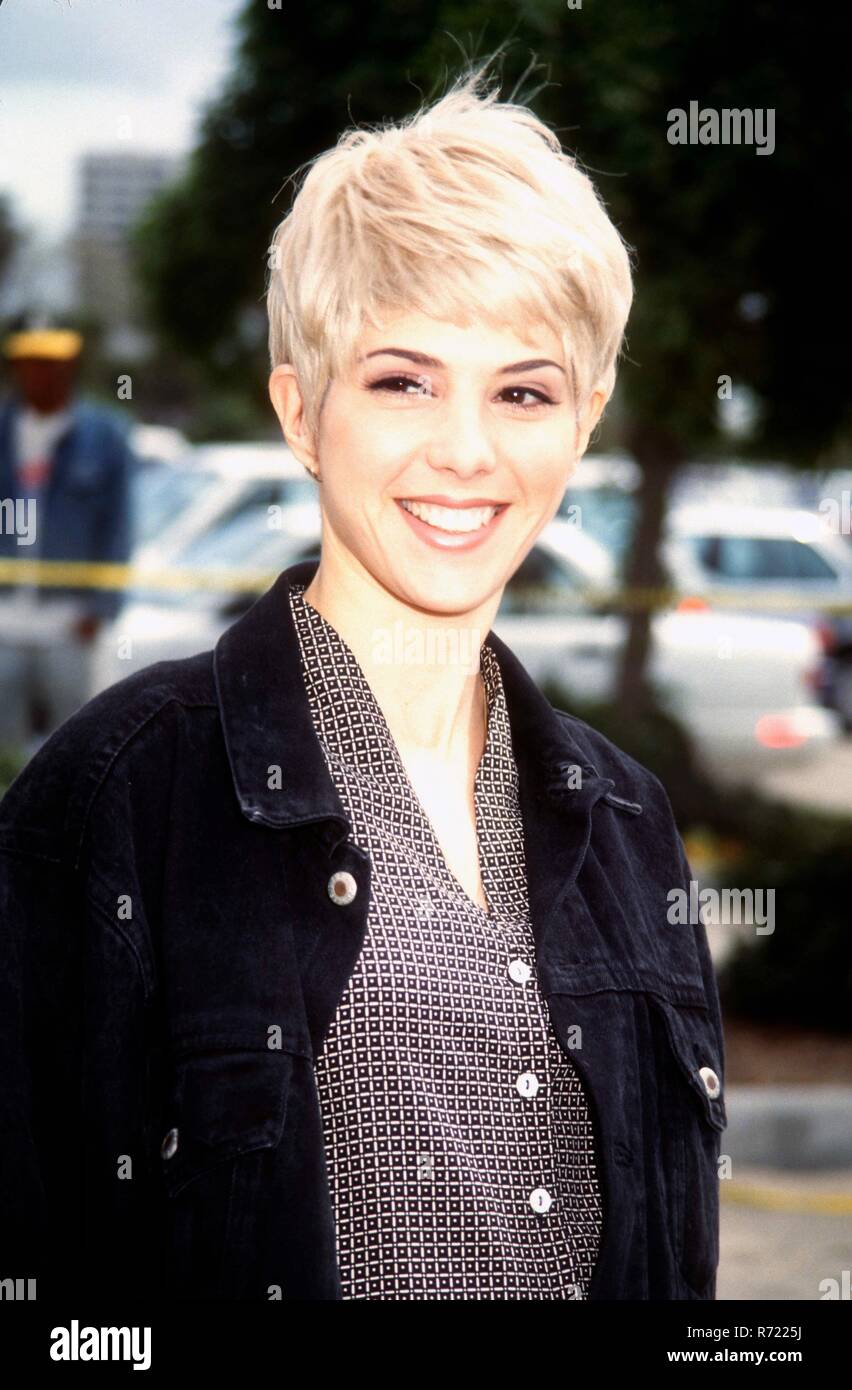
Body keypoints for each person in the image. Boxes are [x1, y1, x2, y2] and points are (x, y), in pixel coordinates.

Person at [0, 68, 726, 1302]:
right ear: (301, 407)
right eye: (403, 380)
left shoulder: (632, 824)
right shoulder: (115, 799)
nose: (465, 449)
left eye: (524, 390)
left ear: (587, 417)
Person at [0, 322, 133, 747]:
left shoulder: (103, 434)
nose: (39, 374)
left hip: (67, 618)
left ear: (68, 368)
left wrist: (100, 606)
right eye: (30, 364)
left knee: (69, 745)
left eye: (50, 364)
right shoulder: (4, 431)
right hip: (5, 620)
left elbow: (117, 524)